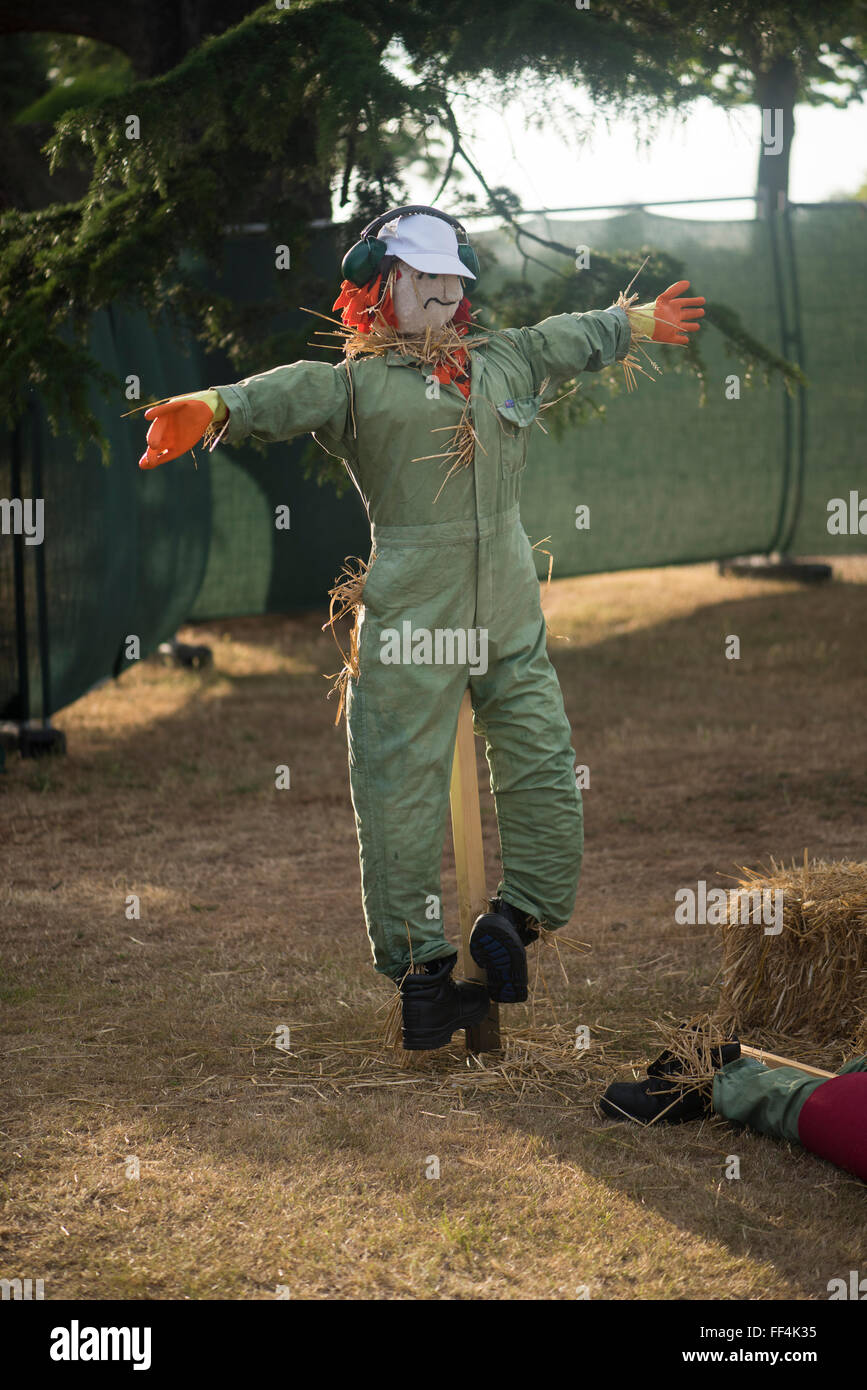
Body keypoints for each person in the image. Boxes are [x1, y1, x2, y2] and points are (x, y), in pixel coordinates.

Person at [140, 205, 705, 1049]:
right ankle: (424, 979)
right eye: (423, 278)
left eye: (453, 280)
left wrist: (630, 323)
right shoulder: (357, 386)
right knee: (399, 782)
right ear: (381, 287)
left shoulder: (501, 358)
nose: (442, 294)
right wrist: (218, 407)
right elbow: (293, 389)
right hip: (411, 609)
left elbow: (565, 337)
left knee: (545, 758)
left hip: (509, 607)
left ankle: (514, 924)